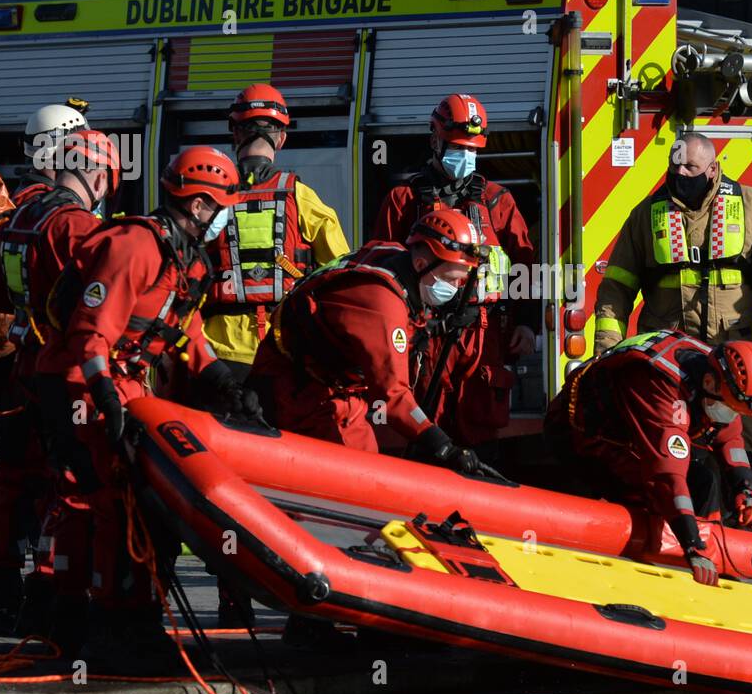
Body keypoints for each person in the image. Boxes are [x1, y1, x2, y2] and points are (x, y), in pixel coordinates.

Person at [34, 147, 252, 667]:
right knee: (113, 502)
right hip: (79, 382)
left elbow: (183, 329)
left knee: (137, 501)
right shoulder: (136, 246)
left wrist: (220, 378)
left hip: (122, 381)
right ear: (199, 204)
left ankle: (123, 614)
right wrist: (106, 400)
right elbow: (91, 335)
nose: (226, 216)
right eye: (222, 206)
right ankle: (111, 623)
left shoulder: (184, 254)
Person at [0, 129, 121, 635]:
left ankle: (1, 597)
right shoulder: (76, 226)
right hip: (62, 373)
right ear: (99, 176)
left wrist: (24, 314)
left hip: (20, 369)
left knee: (12, 481)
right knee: (66, 484)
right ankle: (52, 597)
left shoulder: (20, 217)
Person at [593, 131, 752, 505]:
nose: (681, 174)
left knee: (744, 458)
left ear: (713, 168)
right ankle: (687, 543)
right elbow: (615, 291)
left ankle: (751, 542)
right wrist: (608, 356)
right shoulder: (646, 216)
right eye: (675, 167)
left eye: (691, 167)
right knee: (675, 456)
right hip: (672, 370)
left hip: (737, 365)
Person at [247, 207, 493, 475]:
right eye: (452, 279)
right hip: (302, 393)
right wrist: (442, 445)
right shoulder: (382, 303)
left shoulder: (394, 258)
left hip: (329, 388)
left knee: (369, 467)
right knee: (356, 479)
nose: (456, 288)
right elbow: (392, 395)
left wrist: (437, 326)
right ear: (423, 265)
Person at [544, 330, 752, 586]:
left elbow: (730, 439)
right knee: (657, 491)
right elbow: (667, 477)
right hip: (582, 436)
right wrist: (692, 546)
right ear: (710, 384)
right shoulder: (661, 383)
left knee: (704, 481)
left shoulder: (716, 377)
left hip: (630, 434)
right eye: (731, 408)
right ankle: (651, 576)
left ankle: (713, 564)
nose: (732, 415)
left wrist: (746, 490)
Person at [372, 93, 537, 447]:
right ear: (435, 140)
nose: (465, 157)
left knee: (480, 439)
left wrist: (527, 322)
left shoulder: (497, 202)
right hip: (421, 335)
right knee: (423, 433)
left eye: (472, 150)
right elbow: (380, 271)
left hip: (484, 336)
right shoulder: (403, 201)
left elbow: (526, 265)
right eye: (457, 147)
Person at [201, 84, 349, 381]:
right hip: (285, 350)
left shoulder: (208, 197)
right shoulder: (301, 196)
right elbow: (341, 272)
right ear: (281, 138)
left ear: (235, 134)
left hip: (218, 357)